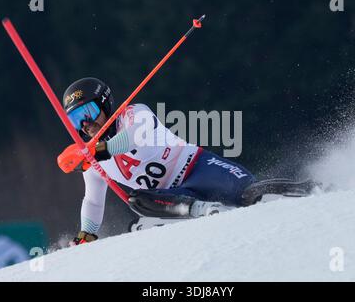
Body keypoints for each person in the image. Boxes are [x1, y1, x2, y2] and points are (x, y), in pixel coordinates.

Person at [62, 77, 318, 245]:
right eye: (76, 121)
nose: (86, 125)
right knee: (137, 199)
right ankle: (199, 211)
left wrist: (96, 151)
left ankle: (312, 190)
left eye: (88, 112)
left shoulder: (133, 113)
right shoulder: (93, 161)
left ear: (105, 105)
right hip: (172, 196)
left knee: (251, 194)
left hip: (198, 167)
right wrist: (87, 233)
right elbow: (93, 200)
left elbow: (134, 137)